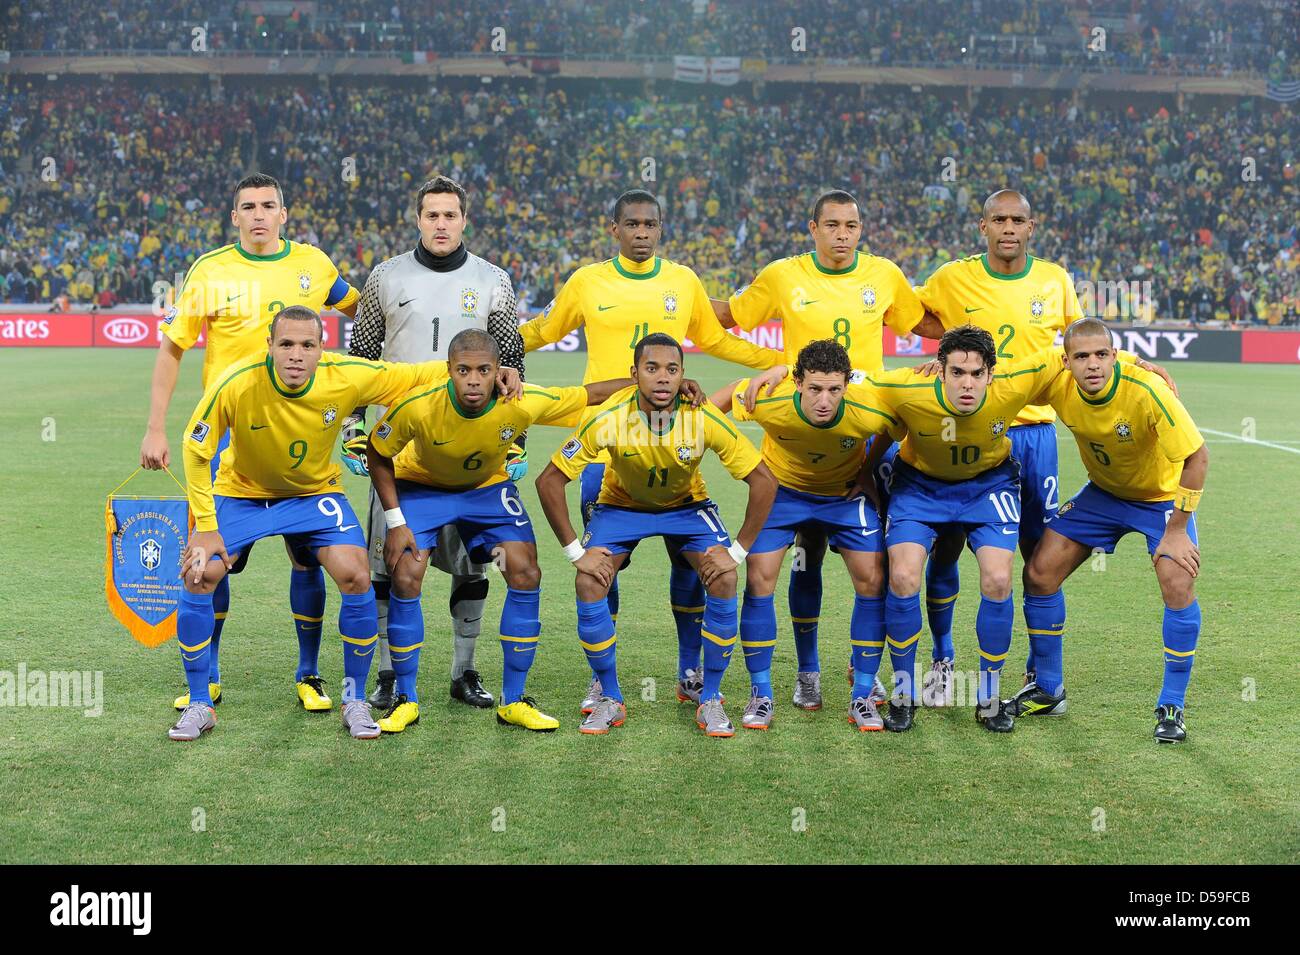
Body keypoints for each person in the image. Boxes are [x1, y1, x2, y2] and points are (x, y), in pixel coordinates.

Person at [168, 305, 520, 741]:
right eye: (286, 345)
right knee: (199, 573)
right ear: (270, 348)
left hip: (314, 495)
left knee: (356, 575)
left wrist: (494, 372)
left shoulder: (347, 375)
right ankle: (200, 703)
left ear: (322, 349)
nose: (296, 355)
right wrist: (205, 524)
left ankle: (353, 699)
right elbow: (194, 446)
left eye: (307, 345)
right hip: (242, 495)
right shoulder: (238, 381)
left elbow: (411, 376)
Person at [519, 189, 781, 712]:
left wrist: (786, 359)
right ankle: (603, 680)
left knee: (691, 567)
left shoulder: (683, 281)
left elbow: (717, 341)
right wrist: (491, 349)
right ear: (613, 229)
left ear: (661, 229)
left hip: (671, 431)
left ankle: (690, 671)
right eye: (632, 224)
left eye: (650, 224)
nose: (642, 232)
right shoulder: (587, 281)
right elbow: (541, 331)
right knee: (601, 564)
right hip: (603, 443)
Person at [713, 188, 941, 710]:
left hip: (867, 439)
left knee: (878, 565)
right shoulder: (781, 275)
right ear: (812, 228)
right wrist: (671, 302)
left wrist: (953, 350)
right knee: (804, 558)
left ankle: (866, 671)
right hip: (797, 432)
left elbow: (918, 324)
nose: (842, 235)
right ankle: (805, 673)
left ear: (861, 230)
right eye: (832, 225)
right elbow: (733, 316)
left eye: (851, 226)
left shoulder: (884, 275)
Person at [140, 173, 359, 714]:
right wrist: (154, 426)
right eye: (247, 207)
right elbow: (172, 349)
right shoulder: (210, 271)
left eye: (268, 206)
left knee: (307, 558)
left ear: (284, 214)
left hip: (300, 435)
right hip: (223, 439)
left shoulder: (313, 264)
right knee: (213, 558)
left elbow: (361, 311)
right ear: (234, 217)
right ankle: (208, 675)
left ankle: (309, 674)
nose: (258, 214)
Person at [363, 329, 633, 733]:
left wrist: (651, 382)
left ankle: (514, 700)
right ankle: (406, 698)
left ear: (499, 372)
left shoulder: (520, 401)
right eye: (464, 370)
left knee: (524, 570)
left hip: (487, 492)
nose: (473, 379)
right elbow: (378, 451)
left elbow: (586, 395)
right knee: (406, 572)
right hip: (421, 489)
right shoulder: (418, 406)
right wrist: (396, 520)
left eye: (484, 370)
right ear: (449, 371)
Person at [341, 175, 527, 712]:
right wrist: (356, 427)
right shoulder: (385, 277)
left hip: (470, 446)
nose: (440, 224)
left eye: (450, 215)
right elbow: (363, 357)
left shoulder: (493, 280)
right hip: (398, 447)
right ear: (417, 219)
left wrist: (512, 440)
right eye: (431, 215)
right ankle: (386, 673)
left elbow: (511, 363)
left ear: (464, 219)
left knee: (472, 564)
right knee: (389, 562)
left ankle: (463, 671)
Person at [534, 333, 777, 737]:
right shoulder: (610, 416)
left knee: (724, 576)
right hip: (621, 508)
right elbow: (548, 480)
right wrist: (577, 553)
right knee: (589, 580)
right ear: (634, 374)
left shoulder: (700, 415)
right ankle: (609, 695)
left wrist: (736, 552)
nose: (662, 378)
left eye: (672, 369)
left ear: (684, 374)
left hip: (686, 508)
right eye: (651, 368)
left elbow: (764, 480)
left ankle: (710, 696)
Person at [1020, 319, 1207, 743]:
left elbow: (1197, 457)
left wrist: (1177, 530)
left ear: (1114, 354)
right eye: (1081, 357)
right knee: (1040, 572)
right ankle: (1049, 690)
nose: (1092, 365)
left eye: (1101, 355)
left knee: (1177, 580)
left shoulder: (1146, 389)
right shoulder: (1057, 383)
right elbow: (1008, 380)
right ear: (1065, 361)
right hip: (1103, 494)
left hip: (1159, 499)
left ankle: (1172, 704)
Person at [710, 339, 894, 730]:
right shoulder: (770, 398)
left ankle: (862, 695)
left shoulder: (869, 406)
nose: (824, 400)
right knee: (760, 579)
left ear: (848, 384)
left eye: (833, 390)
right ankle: (766, 692)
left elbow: (899, 426)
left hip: (844, 497)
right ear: (797, 383)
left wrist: (868, 469)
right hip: (783, 497)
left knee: (874, 580)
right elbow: (716, 406)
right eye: (814, 389)